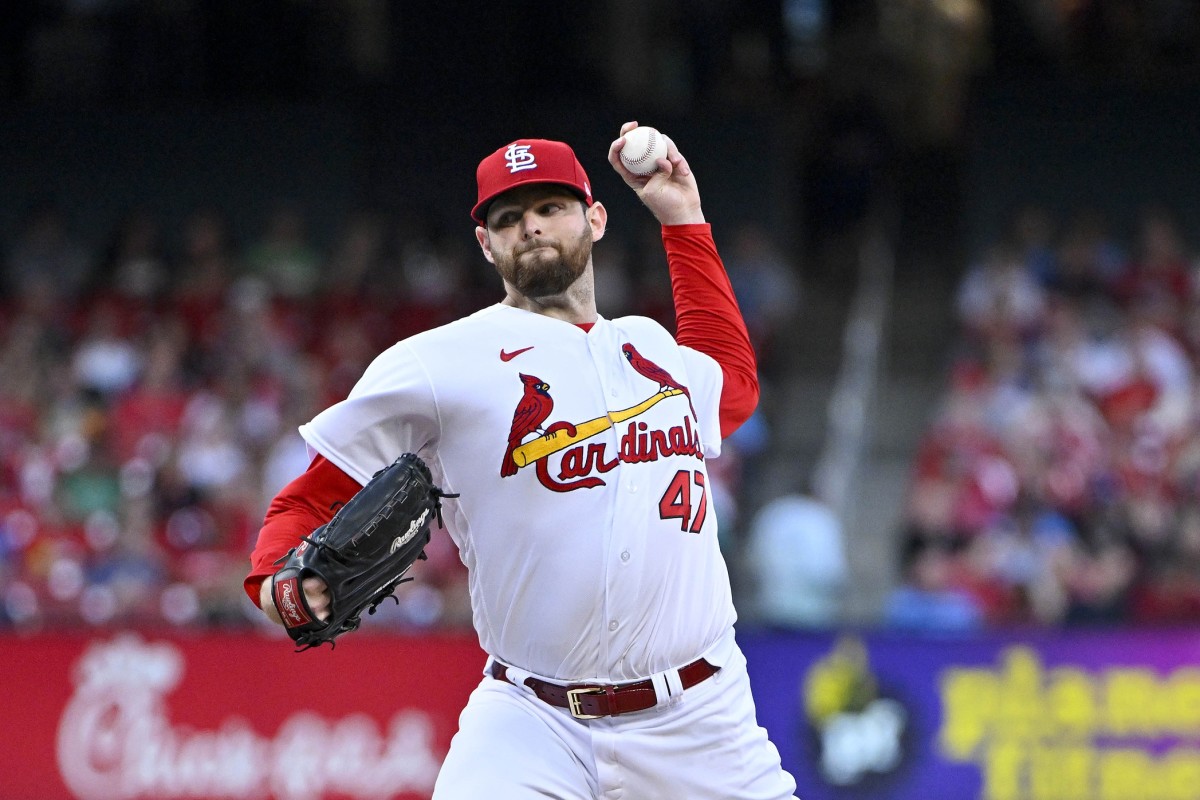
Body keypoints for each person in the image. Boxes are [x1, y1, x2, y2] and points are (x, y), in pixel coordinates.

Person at [244, 123, 799, 799]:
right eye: (508, 218)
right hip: (533, 721)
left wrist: (682, 217)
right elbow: (308, 497)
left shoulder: (649, 347)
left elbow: (732, 388)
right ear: (486, 243)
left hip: (700, 719)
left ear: (593, 218)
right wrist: (275, 577)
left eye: (550, 208)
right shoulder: (440, 362)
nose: (531, 227)